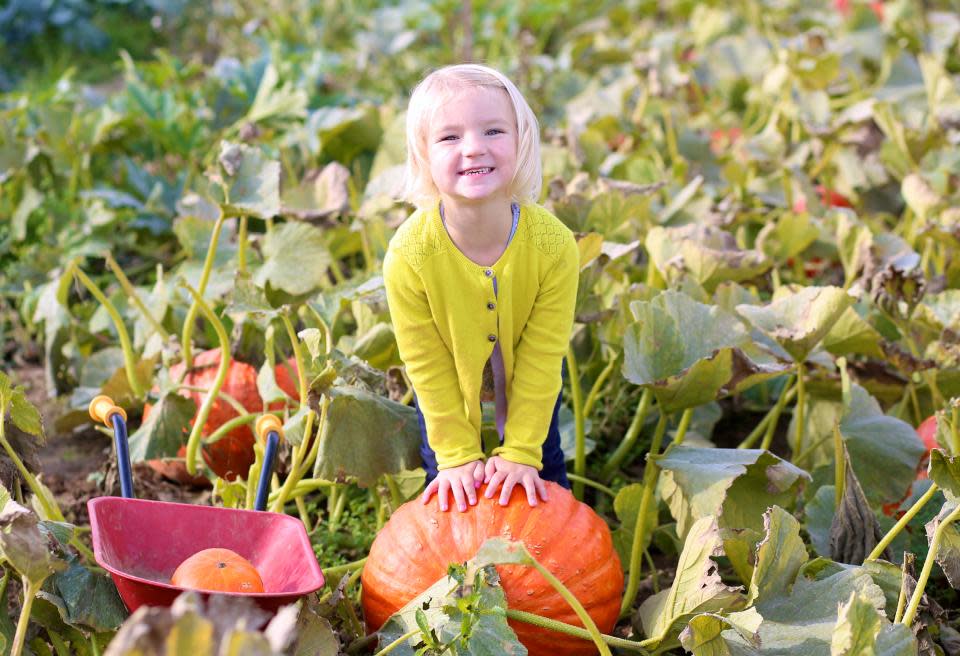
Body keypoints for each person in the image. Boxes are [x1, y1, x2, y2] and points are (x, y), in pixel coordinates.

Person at [382, 63, 579, 513]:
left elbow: (543, 354)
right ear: (424, 156)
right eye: (450, 137)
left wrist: (522, 453)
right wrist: (456, 457)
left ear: (521, 141)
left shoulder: (554, 246)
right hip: (446, 398)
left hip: (531, 390)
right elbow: (426, 364)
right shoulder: (409, 256)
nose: (473, 148)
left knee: (542, 486)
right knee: (455, 499)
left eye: (493, 131)